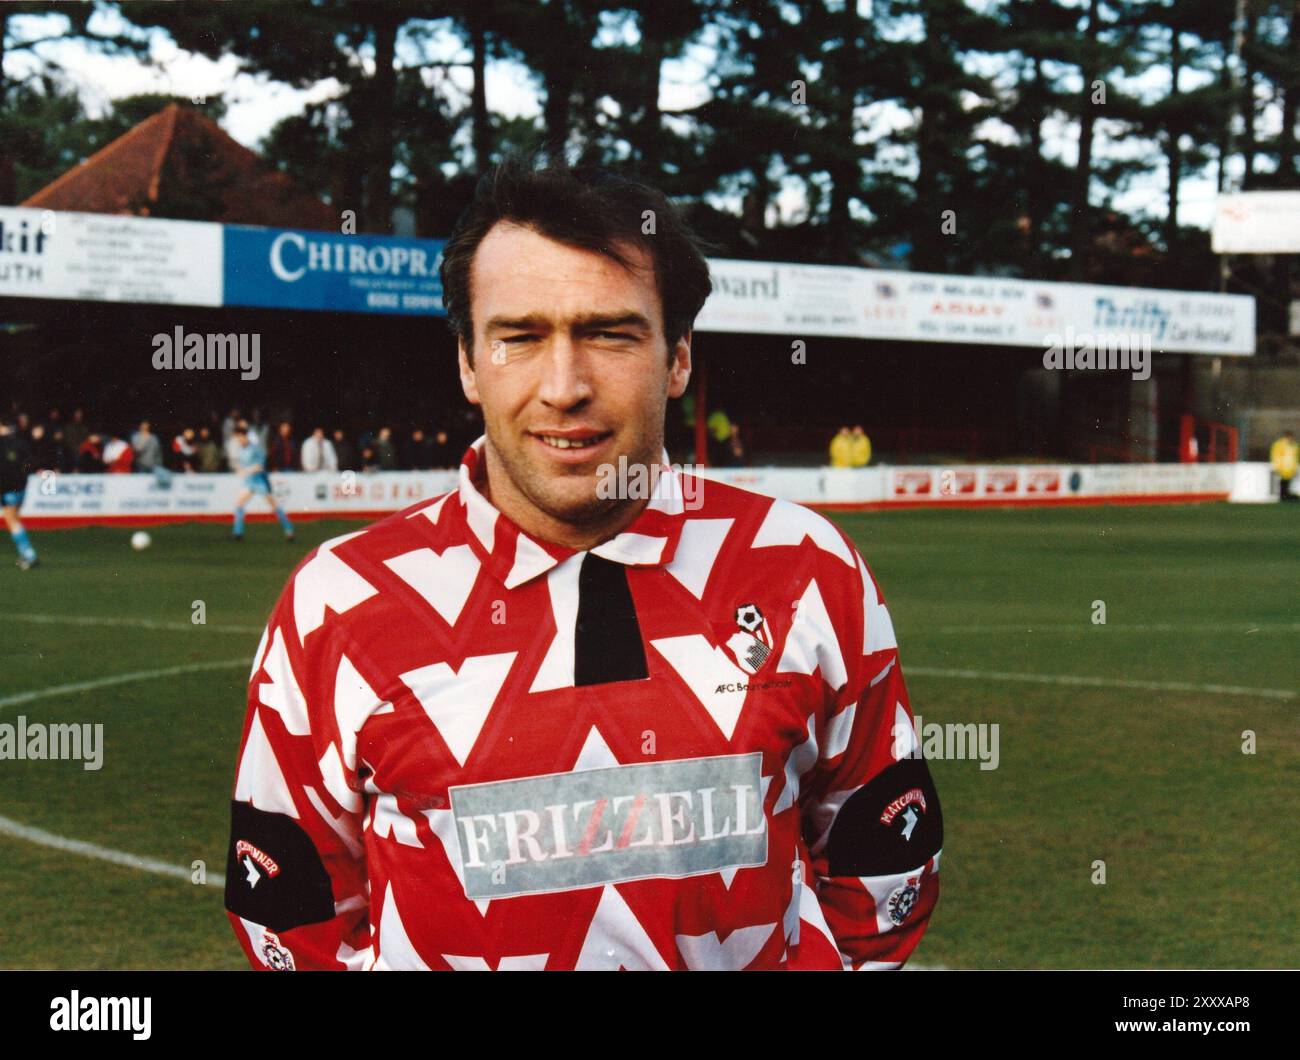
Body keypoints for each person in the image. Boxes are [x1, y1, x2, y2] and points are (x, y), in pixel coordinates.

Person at [223, 158, 940, 972]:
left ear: (677, 359)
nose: (564, 386)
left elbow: (883, 859)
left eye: (610, 333)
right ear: (467, 363)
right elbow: (289, 911)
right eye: (520, 338)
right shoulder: (339, 601)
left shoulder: (806, 567)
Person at [229, 423, 295, 542]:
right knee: (238, 505)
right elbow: (242, 465)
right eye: (236, 437)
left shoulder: (255, 448)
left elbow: (260, 465)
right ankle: (237, 533)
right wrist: (239, 469)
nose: (238, 439)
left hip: (260, 481)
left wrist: (246, 470)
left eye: (239, 436)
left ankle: (289, 528)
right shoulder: (241, 450)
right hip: (249, 482)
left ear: (244, 436)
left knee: (274, 506)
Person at [0, 420, 38, 569]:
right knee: (14, 518)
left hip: (8, 487)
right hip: (20, 487)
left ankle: (29, 554)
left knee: (11, 520)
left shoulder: (2, 444)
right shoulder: (21, 443)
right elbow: (30, 463)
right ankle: (26, 554)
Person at [1271, 429, 1298, 502]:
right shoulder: (1279, 444)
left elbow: (1295, 457)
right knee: (1283, 482)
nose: (1291, 438)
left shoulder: (1294, 445)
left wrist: (1294, 468)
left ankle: (1286, 496)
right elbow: (1276, 456)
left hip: (1290, 468)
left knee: (1287, 483)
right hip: (1283, 468)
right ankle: (1283, 497)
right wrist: (1277, 466)